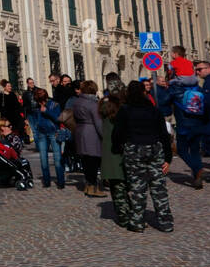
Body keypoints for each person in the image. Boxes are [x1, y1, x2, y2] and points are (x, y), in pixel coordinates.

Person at [111, 81, 174, 233]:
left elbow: (117, 133)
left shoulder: (125, 110)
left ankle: (137, 222)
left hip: (134, 149)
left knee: (138, 187)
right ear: (143, 92)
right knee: (158, 187)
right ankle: (166, 222)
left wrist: (117, 148)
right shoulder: (153, 110)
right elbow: (164, 134)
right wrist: (168, 157)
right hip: (154, 149)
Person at [69, 81, 106, 197]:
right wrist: (104, 136)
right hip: (91, 133)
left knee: (86, 161)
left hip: (80, 131)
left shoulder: (77, 102)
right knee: (93, 162)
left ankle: (88, 185)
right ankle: (93, 187)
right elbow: (98, 122)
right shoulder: (93, 103)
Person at [98, 95, 128, 227]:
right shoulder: (120, 117)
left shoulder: (104, 116)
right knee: (123, 186)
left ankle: (123, 215)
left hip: (109, 154)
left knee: (116, 188)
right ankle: (126, 215)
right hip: (120, 152)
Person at [31, 87, 64, 189]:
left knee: (57, 159)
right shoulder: (36, 106)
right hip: (41, 134)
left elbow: (58, 118)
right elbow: (35, 119)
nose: (40, 103)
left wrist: (46, 111)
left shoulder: (54, 104)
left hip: (53, 133)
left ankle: (60, 181)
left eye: (41, 100)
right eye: (38, 101)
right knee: (43, 158)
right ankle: (46, 181)